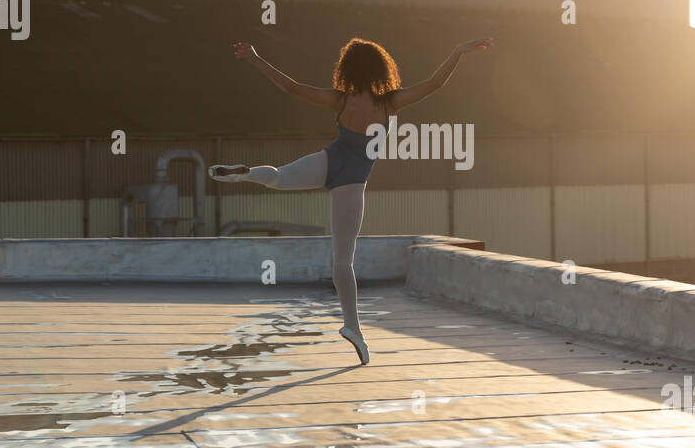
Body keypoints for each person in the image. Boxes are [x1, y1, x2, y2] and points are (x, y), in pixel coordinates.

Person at [209, 35, 494, 363]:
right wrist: (458, 50)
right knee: (343, 260)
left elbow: (292, 87)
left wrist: (256, 59)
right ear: (381, 68)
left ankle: (244, 173)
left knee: (275, 177)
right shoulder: (389, 103)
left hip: (328, 161)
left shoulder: (340, 100)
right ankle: (352, 327)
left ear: (346, 69)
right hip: (352, 181)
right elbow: (435, 84)